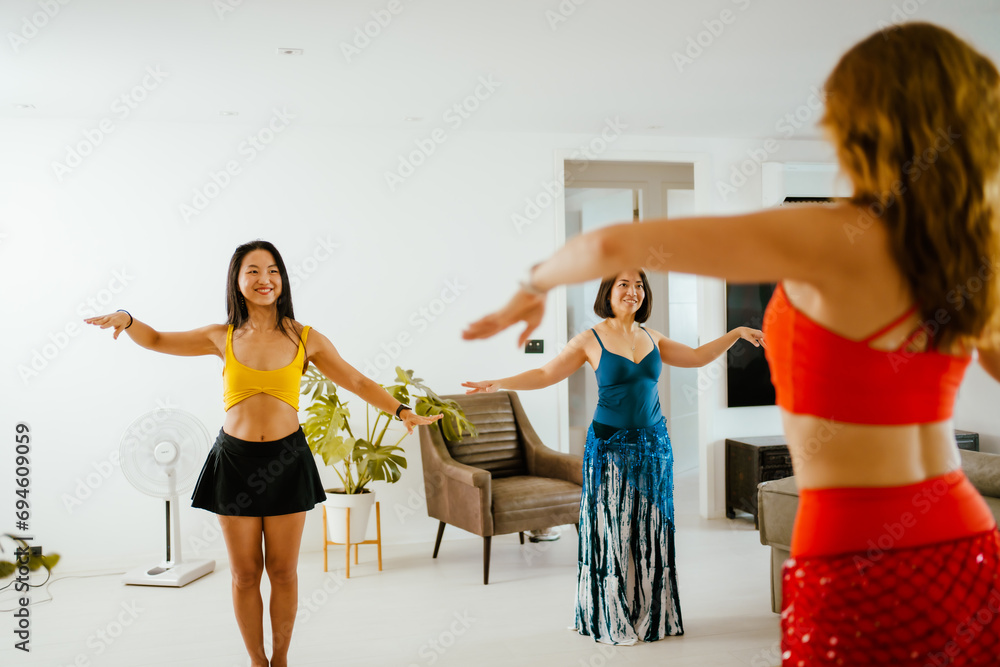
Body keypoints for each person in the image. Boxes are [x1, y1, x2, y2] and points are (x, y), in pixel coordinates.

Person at [463, 22, 1000, 666]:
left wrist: (534, 282)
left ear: (864, 124)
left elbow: (611, 245)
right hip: (962, 531)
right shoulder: (973, 254)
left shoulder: (831, 232)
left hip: (856, 544)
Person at [85, 240, 441, 667]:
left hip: (287, 462)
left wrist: (401, 410)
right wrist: (128, 318)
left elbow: (358, 382)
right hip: (233, 463)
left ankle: (281, 659)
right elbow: (159, 338)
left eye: (271, 270)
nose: (263, 279)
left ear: (282, 279)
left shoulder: (305, 338)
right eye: (252, 271)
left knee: (284, 572)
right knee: (244, 574)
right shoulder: (222, 336)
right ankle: (257, 661)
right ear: (237, 281)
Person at [463, 269, 764, 645]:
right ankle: (609, 611)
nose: (633, 292)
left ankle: (648, 610)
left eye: (639, 285)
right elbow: (545, 373)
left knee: (650, 531)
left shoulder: (652, 337)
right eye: (624, 284)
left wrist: (736, 333)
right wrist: (500, 381)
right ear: (608, 292)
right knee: (613, 531)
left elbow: (699, 357)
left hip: (654, 447)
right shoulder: (590, 339)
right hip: (608, 448)